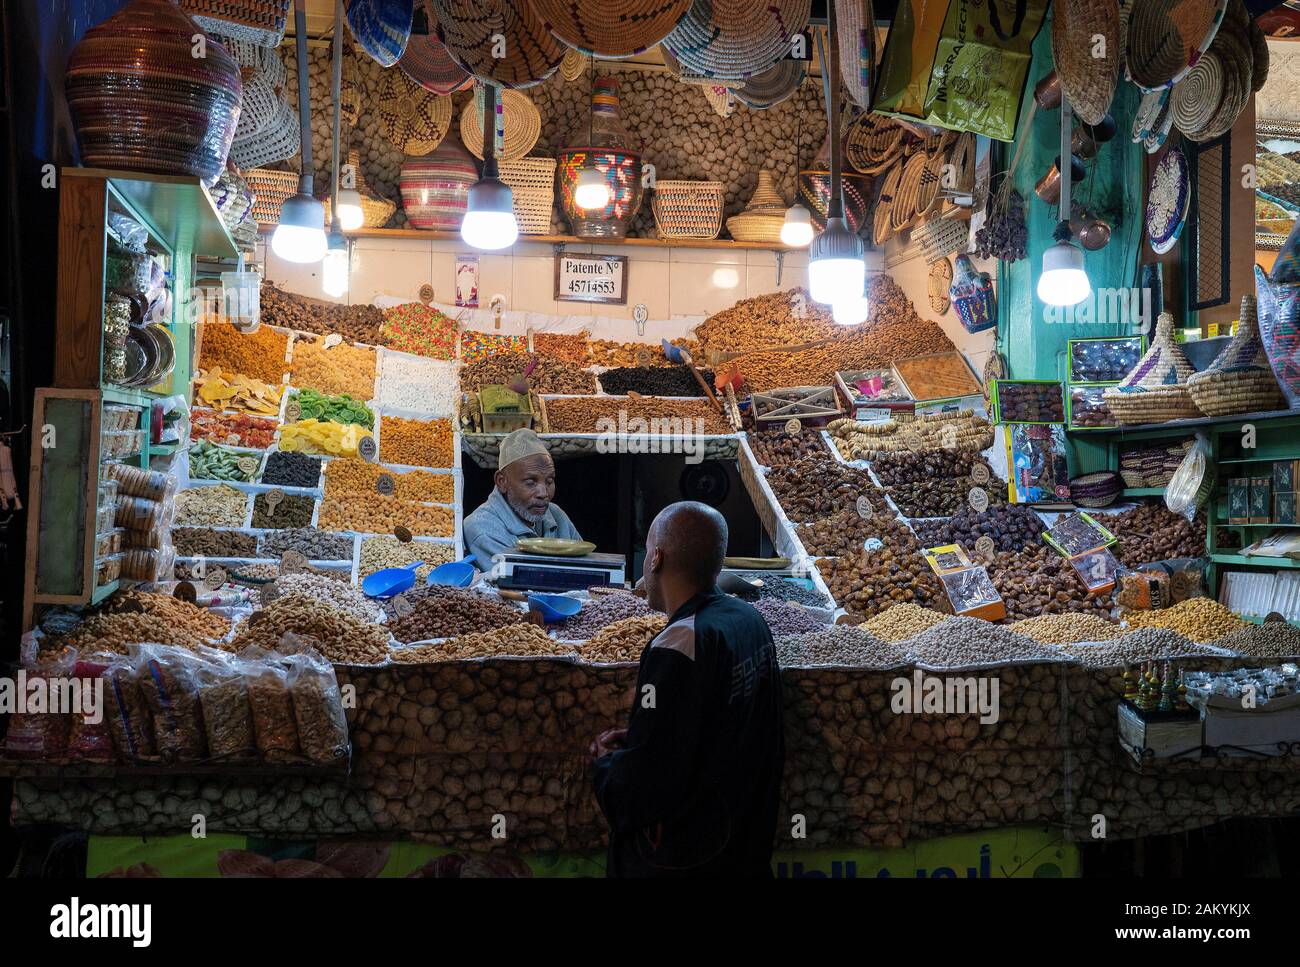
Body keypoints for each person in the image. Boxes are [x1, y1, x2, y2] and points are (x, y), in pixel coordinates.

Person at [590, 501, 785, 877]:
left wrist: (605, 765)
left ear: (657, 558)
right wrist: (645, 733)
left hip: (687, 855)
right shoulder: (748, 619)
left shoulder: (679, 641)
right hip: (744, 844)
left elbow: (647, 782)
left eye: (647, 552)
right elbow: (720, 720)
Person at [463, 428, 582, 573]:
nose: (543, 493)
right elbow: (526, 581)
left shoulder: (556, 515)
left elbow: (586, 566)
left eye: (549, 481)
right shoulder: (482, 528)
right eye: (530, 482)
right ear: (502, 481)